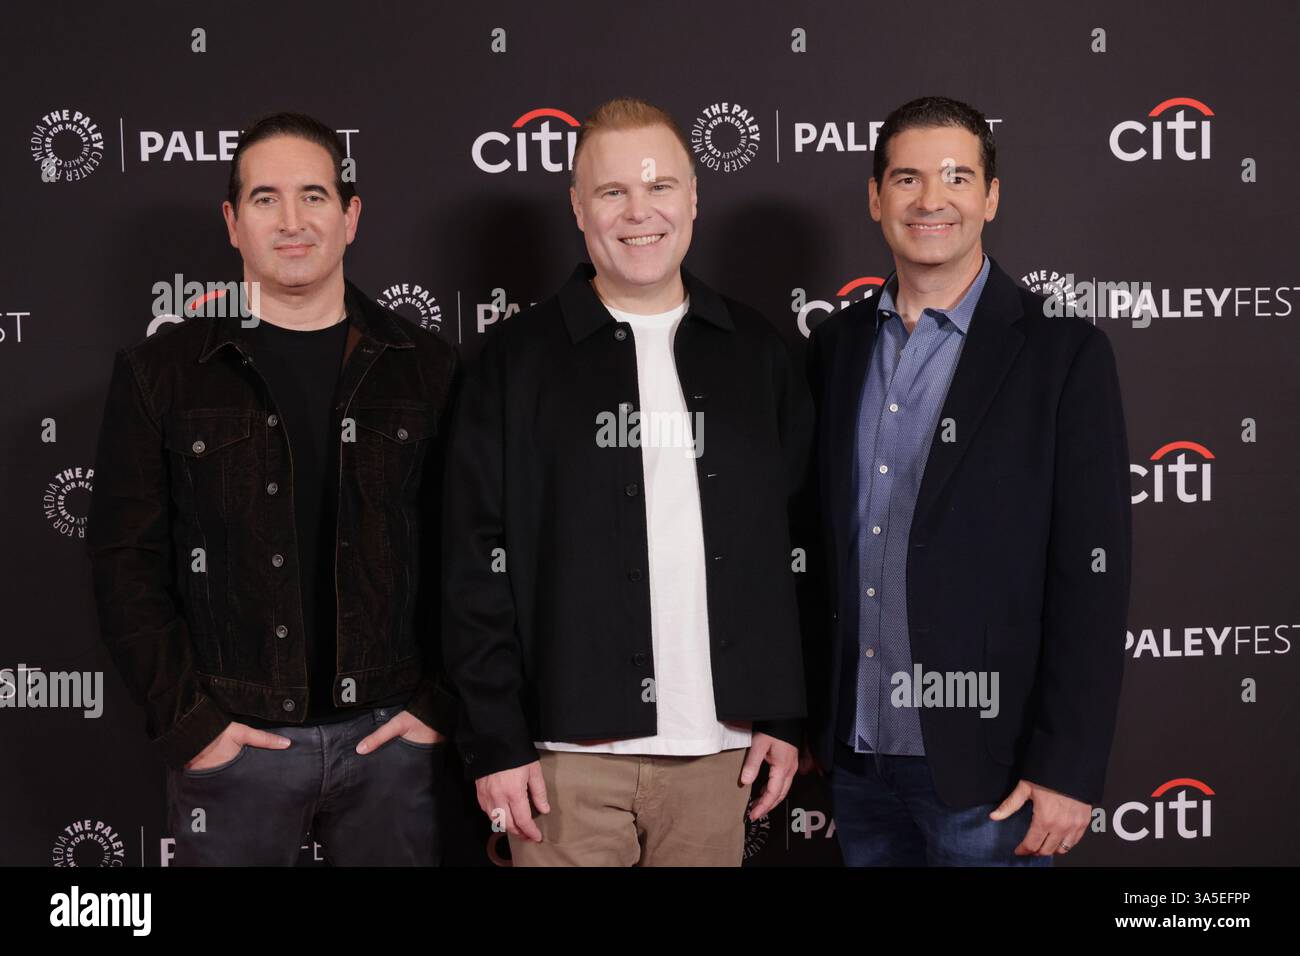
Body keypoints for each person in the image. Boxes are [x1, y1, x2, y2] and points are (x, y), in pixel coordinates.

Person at [442, 97, 814, 866]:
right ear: (579, 207)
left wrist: (785, 712)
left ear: (694, 198)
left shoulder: (756, 352)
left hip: (721, 754)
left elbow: (797, 542)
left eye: (660, 187)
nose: (639, 212)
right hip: (560, 762)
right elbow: (470, 562)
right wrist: (496, 740)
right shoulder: (515, 360)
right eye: (613, 192)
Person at [86, 112, 457, 865]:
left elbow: (474, 551)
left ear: (350, 216)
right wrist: (194, 725)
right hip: (236, 744)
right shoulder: (163, 374)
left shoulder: (429, 369)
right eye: (265, 199)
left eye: (314, 196)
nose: (292, 221)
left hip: (391, 742)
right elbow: (125, 564)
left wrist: (438, 705)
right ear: (232, 221)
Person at [802, 96, 1131, 866]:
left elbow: (1093, 578)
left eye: (956, 177)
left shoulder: (1064, 355)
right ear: (876, 198)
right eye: (908, 179)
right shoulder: (834, 346)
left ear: (989, 196)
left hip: (992, 775)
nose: (931, 200)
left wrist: (1068, 766)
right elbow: (815, 546)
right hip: (856, 761)